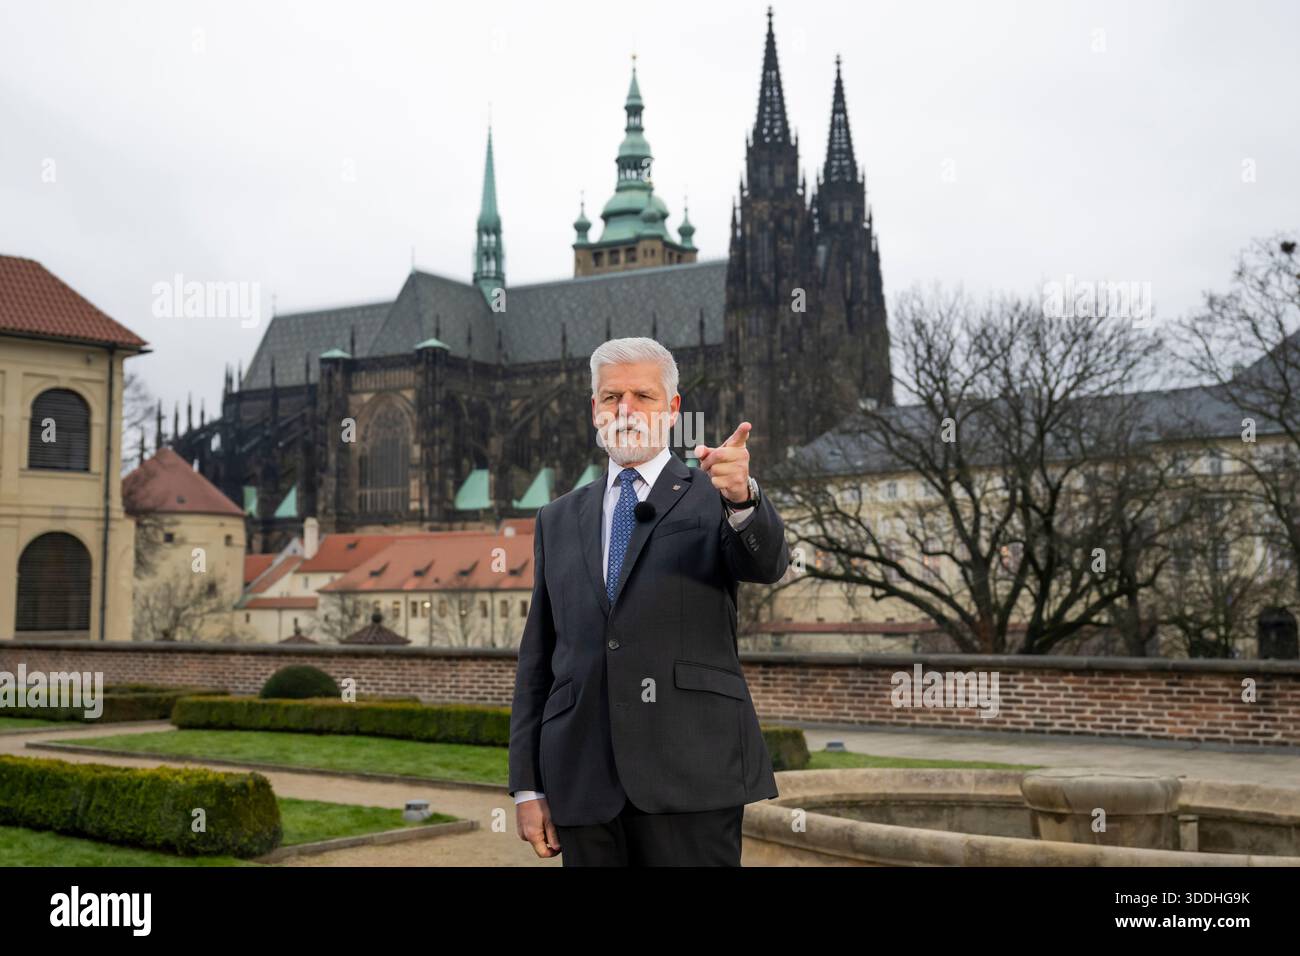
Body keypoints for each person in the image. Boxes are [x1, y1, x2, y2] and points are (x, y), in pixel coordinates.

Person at [508, 336, 789, 866]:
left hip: (694, 775)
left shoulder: (715, 494)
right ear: (594, 410)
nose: (627, 410)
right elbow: (538, 661)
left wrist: (745, 497)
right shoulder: (558, 517)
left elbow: (766, 564)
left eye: (644, 396)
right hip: (582, 781)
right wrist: (528, 786)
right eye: (612, 397)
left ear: (674, 409)